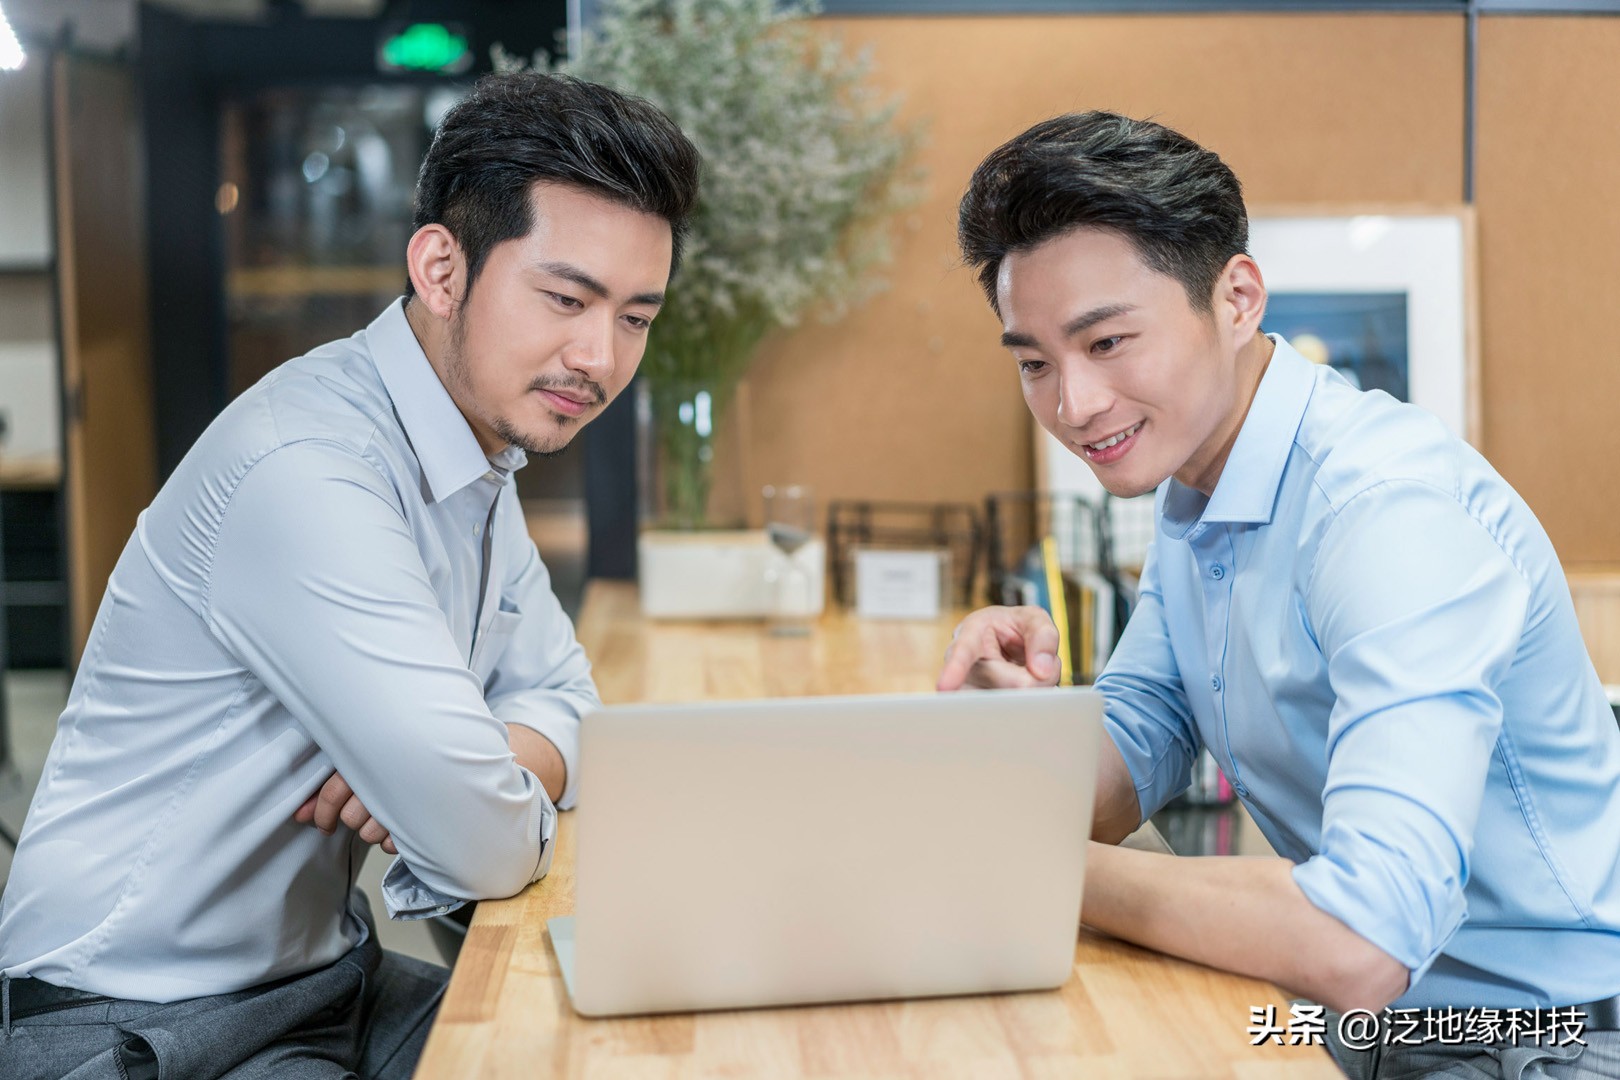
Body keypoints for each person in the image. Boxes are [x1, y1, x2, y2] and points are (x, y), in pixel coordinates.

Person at [0, 72, 700, 1079]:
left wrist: (487, 755)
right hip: (130, 1024)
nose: (598, 355)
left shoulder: (476, 456)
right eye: (564, 298)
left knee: (623, 1044)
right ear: (441, 268)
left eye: (636, 316)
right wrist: (458, 787)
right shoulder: (312, 468)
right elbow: (478, 845)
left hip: (321, 982)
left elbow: (578, 711)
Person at [940, 111, 1620, 1078]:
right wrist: (1008, 727)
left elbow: (1361, 938)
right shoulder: (1201, 487)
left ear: (1238, 298)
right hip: (1379, 1024)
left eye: (1108, 342)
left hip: (1547, 1038)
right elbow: (1132, 750)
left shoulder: (1385, 514)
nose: (1073, 406)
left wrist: (1035, 868)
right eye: (1034, 363)